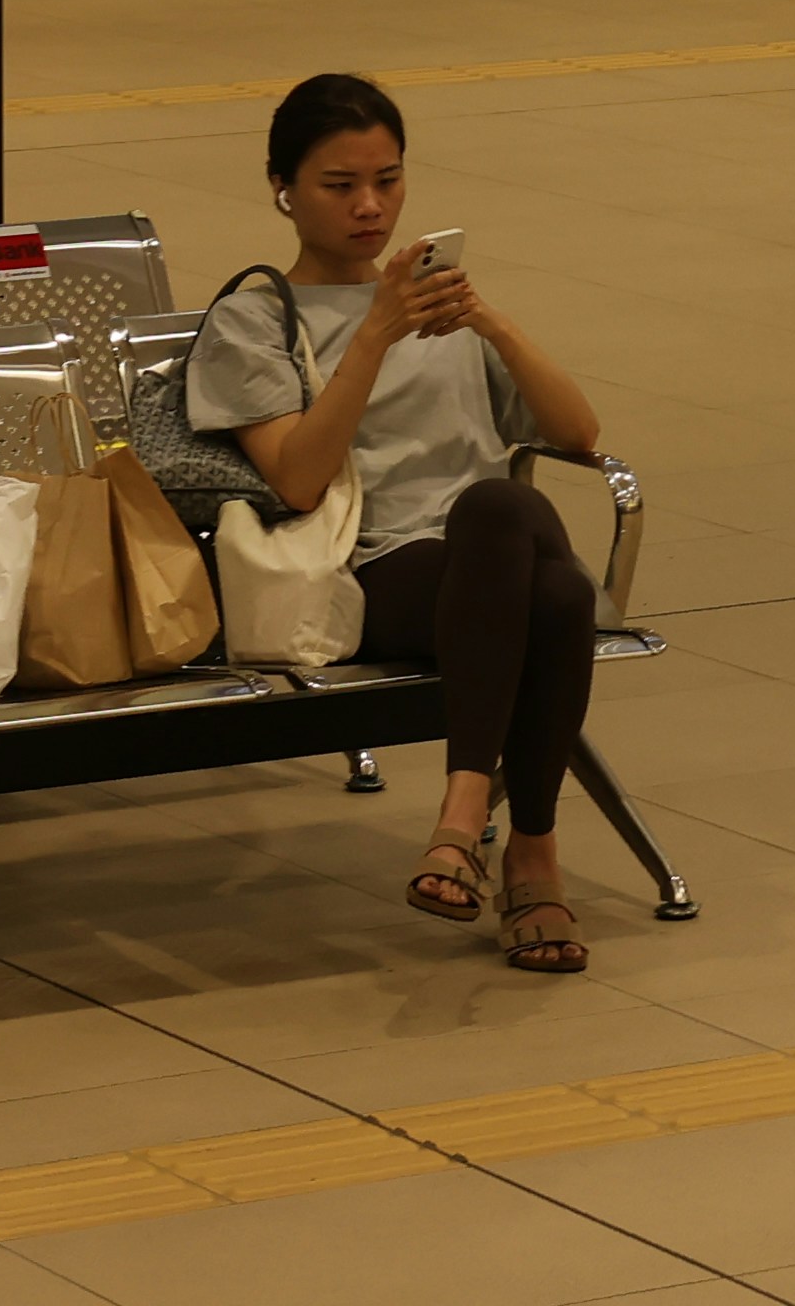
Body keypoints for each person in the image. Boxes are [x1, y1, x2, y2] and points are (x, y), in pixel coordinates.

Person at [184, 73, 607, 964]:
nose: (370, 207)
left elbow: (578, 433)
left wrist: (490, 323)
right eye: (341, 186)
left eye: (389, 180)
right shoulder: (252, 321)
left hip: (493, 565)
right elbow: (299, 481)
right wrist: (372, 334)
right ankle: (528, 856)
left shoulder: (439, 309)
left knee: (534, 560)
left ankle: (472, 825)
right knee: (535, 560)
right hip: (370, 566)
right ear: (283, 190)